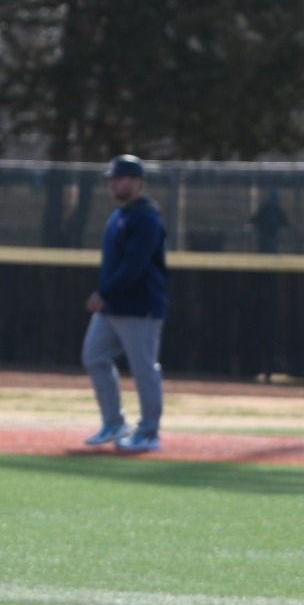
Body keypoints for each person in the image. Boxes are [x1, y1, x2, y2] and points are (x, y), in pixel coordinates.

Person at [82, 153, 168, 454]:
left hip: (140, 306)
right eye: (113, 179)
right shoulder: (119, 216)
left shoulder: (147, 218)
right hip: (113, 307)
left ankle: (148, 432)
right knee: (94, 356)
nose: (114, 183)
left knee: (143, 368)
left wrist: (104, 293)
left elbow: (135, 265)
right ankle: (114, 422)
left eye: (121, 178)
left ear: (137, 182)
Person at [249, 188, 290, 253]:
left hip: (273, 235)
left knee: (273, 250)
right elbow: (255, 218)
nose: (274, 203)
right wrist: (250, 225)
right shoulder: (264, 208)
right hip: (263, 236)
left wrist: (289, 228)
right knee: (265, 250)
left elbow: (285, 222)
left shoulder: (278, 210)